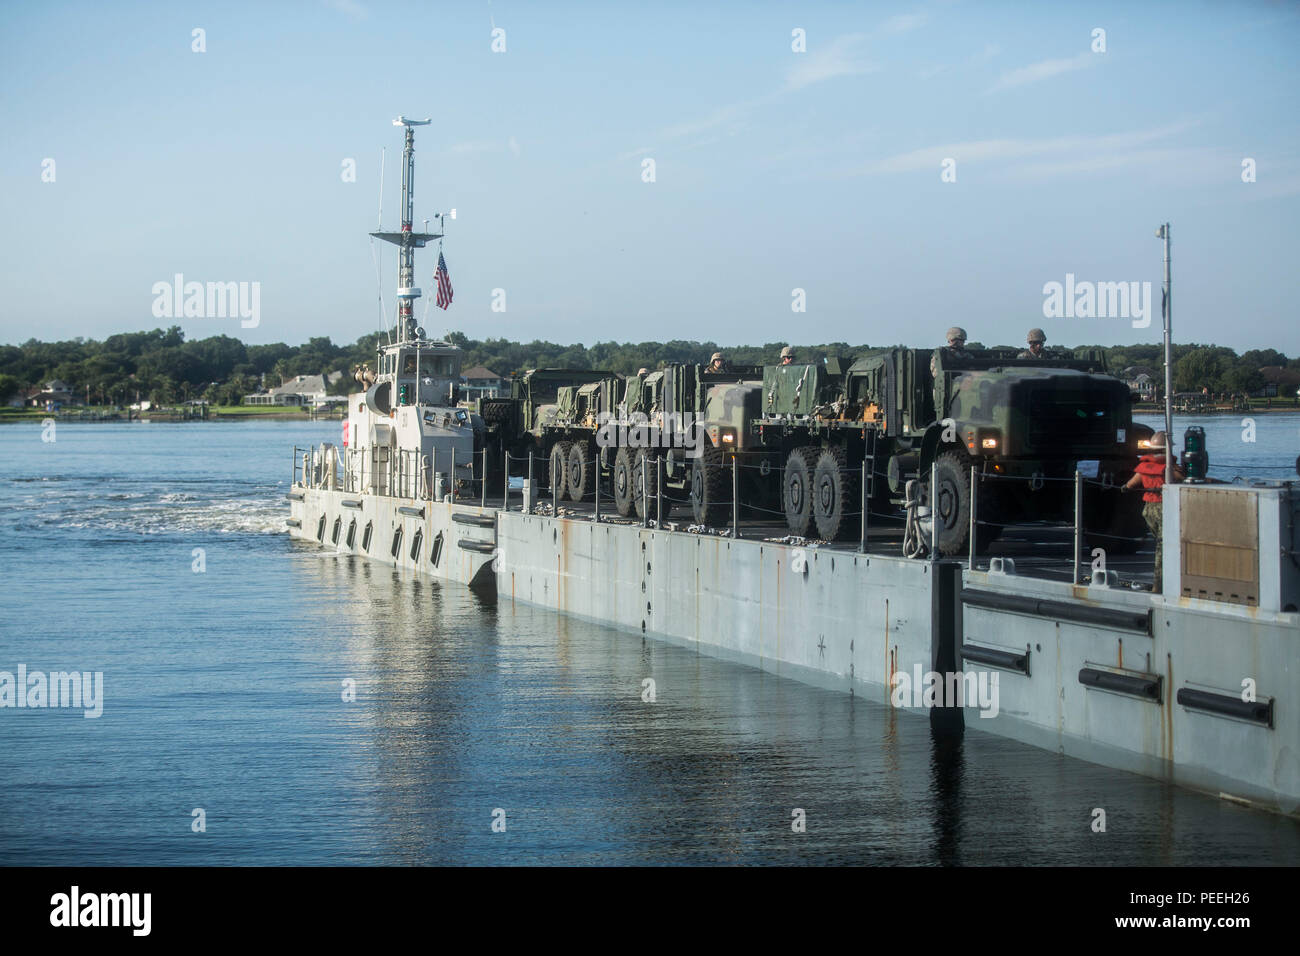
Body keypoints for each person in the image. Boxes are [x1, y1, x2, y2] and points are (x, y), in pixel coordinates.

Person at [1123, 431, 1185, 593]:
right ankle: (1160, 585)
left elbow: (1129, 485)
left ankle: (1162, 582)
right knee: (1163, 547)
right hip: (1163, 509)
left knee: (1160, 544)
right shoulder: (1169, 468)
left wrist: (1123, 488)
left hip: (1148, 510)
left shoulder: (1144, 467)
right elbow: (1181, 478)